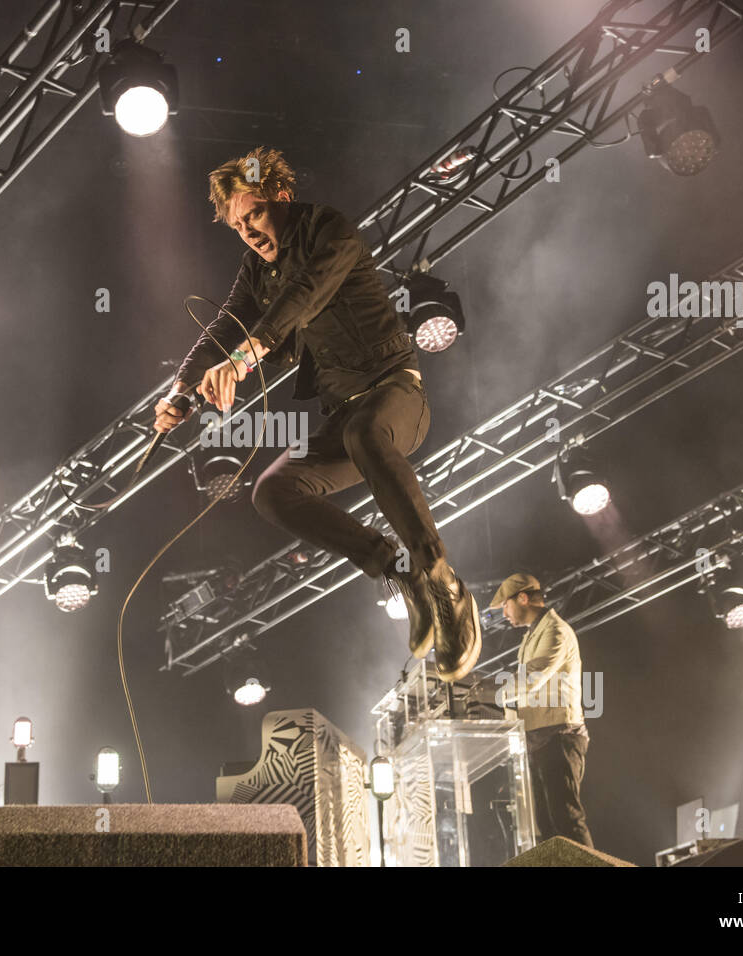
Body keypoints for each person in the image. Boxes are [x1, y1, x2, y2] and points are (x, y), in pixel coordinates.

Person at [154, 146, 480, 680]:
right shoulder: (253, 271)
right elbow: (221, 330)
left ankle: (444, 583)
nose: (249, 232)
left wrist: (242, 361)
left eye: (254, 213)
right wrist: (180, 393)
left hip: (397, 394)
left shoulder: (329, 229)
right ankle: (399, 570)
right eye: (237, 224)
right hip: (345, 418)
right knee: (272, 491)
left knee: (366, 433)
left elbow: (302, 298)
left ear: (282, 196)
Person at [490, 573, 593, 847]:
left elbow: (533, 677)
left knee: (567, 820)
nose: (504, 611)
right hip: (540, 741)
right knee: (549, 832)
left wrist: (491, 692)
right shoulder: (531, 637)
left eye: (505, 604)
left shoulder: (555, 630)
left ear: (522, 598)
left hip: (560, 736)